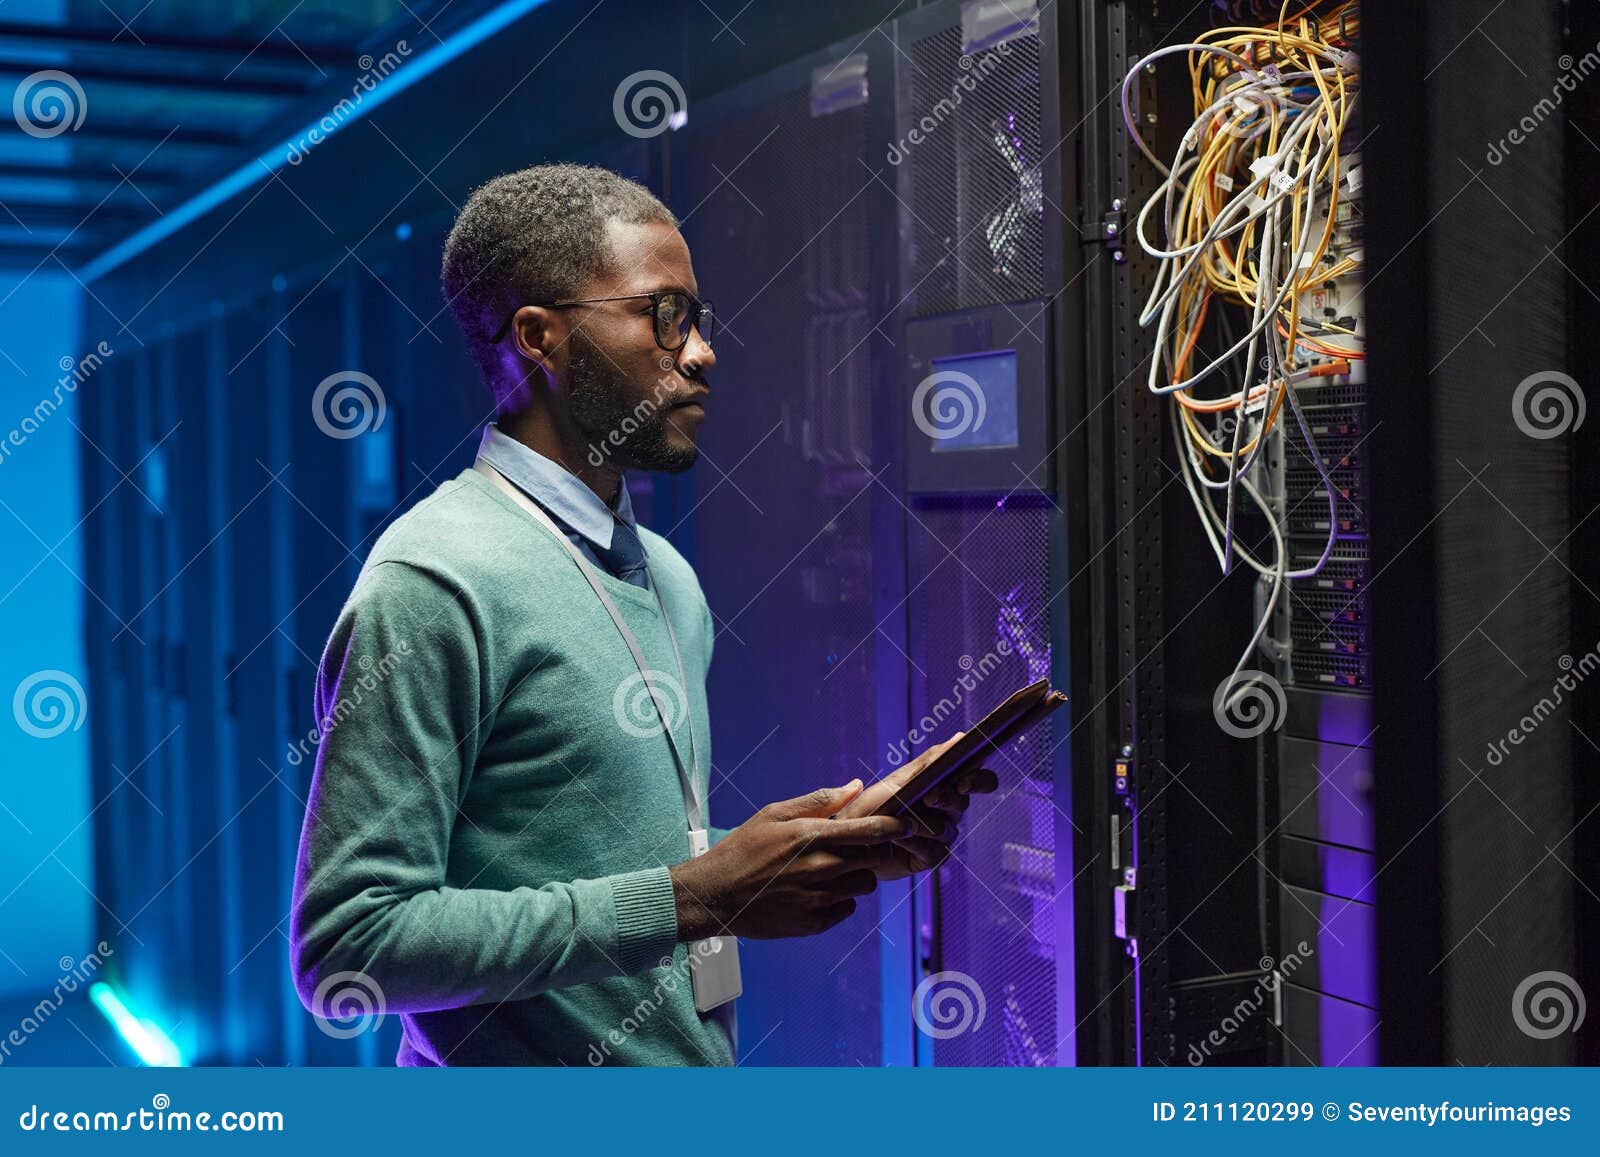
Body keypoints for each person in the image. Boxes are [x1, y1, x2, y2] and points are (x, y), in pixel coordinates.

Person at [289, 163, 997, 1066]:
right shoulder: (433, 580)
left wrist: (838, 849)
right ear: (540, 338)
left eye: (698, 319)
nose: (700, 352)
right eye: (664, 317)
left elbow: (635, 851)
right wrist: (691, 897)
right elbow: (347, 948)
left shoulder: (667, 575)